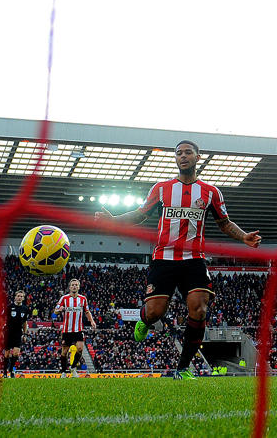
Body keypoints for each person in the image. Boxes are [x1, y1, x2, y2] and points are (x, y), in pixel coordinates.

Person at [96, 140, 261, 380]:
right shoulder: (162, 189)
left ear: (197, 157)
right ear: (175, 159)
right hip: (163, 258)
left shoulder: (211, 192)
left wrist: (244, 236)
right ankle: (144, 319)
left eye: (188, 152)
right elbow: (140, 215)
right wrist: (115, 220)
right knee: (154, 312)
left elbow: (224, 223)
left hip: (194, 260)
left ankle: (182, 369)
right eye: (179, 153)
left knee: (199, 308)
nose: (183, 156)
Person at [54, 278, 96, 378]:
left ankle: (73, 368)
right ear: (69, 287)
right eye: (72, 285)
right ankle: (64, 371)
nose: (74, 286)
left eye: (76, 285)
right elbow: (55, 311)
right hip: (66, 330)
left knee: (80, 348)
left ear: (79, 286)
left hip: (78, 329)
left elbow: (87, 311)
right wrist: (59, 310)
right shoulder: (64, 298)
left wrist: (92, 321)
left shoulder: (83, 299)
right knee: (64, 352)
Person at [4, 290, 30, 378]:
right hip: (8, 332)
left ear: (23, 298)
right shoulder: (9, 307)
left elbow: (25, 323)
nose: (19, 297)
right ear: (15, 297)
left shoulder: (25, 309)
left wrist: (25, 334)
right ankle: (4, 372)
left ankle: (11, 370)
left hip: (18, 333)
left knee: (16, 353)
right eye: (18, 296)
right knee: (7, 354)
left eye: (21, 296)